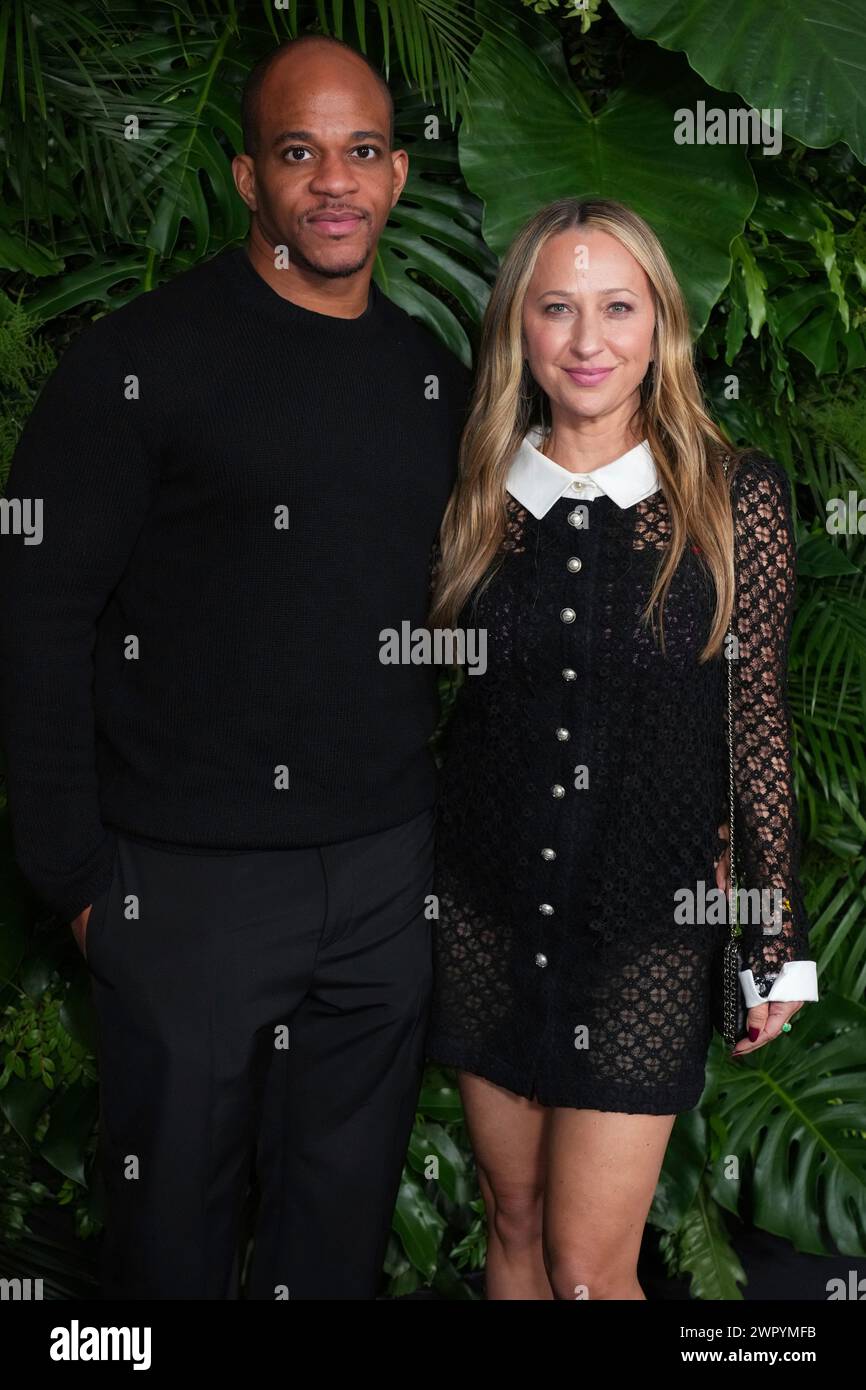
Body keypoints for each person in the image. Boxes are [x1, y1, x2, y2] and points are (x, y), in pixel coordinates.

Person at [0, 34, 471, 1299]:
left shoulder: (437, 384)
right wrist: (77, 879)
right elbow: (33, 612)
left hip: (382, 878)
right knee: (169, 1253)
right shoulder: (133, 367)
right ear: (246, 177)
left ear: (397, 175)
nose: (334, 181)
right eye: (298, 151)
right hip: (181, 888)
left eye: (360, 151)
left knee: (332, 1248)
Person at [425, 197, 818, 1300]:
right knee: (510, 1221)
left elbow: (754, 722)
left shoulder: (730, 496)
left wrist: (772, 935)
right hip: (483, 904)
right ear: (519, 328)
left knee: (589, 1269)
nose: (587, 340)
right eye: (555, 308)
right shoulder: (474, 491)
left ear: (660, 326)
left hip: (646, 918)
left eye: (615, 307)